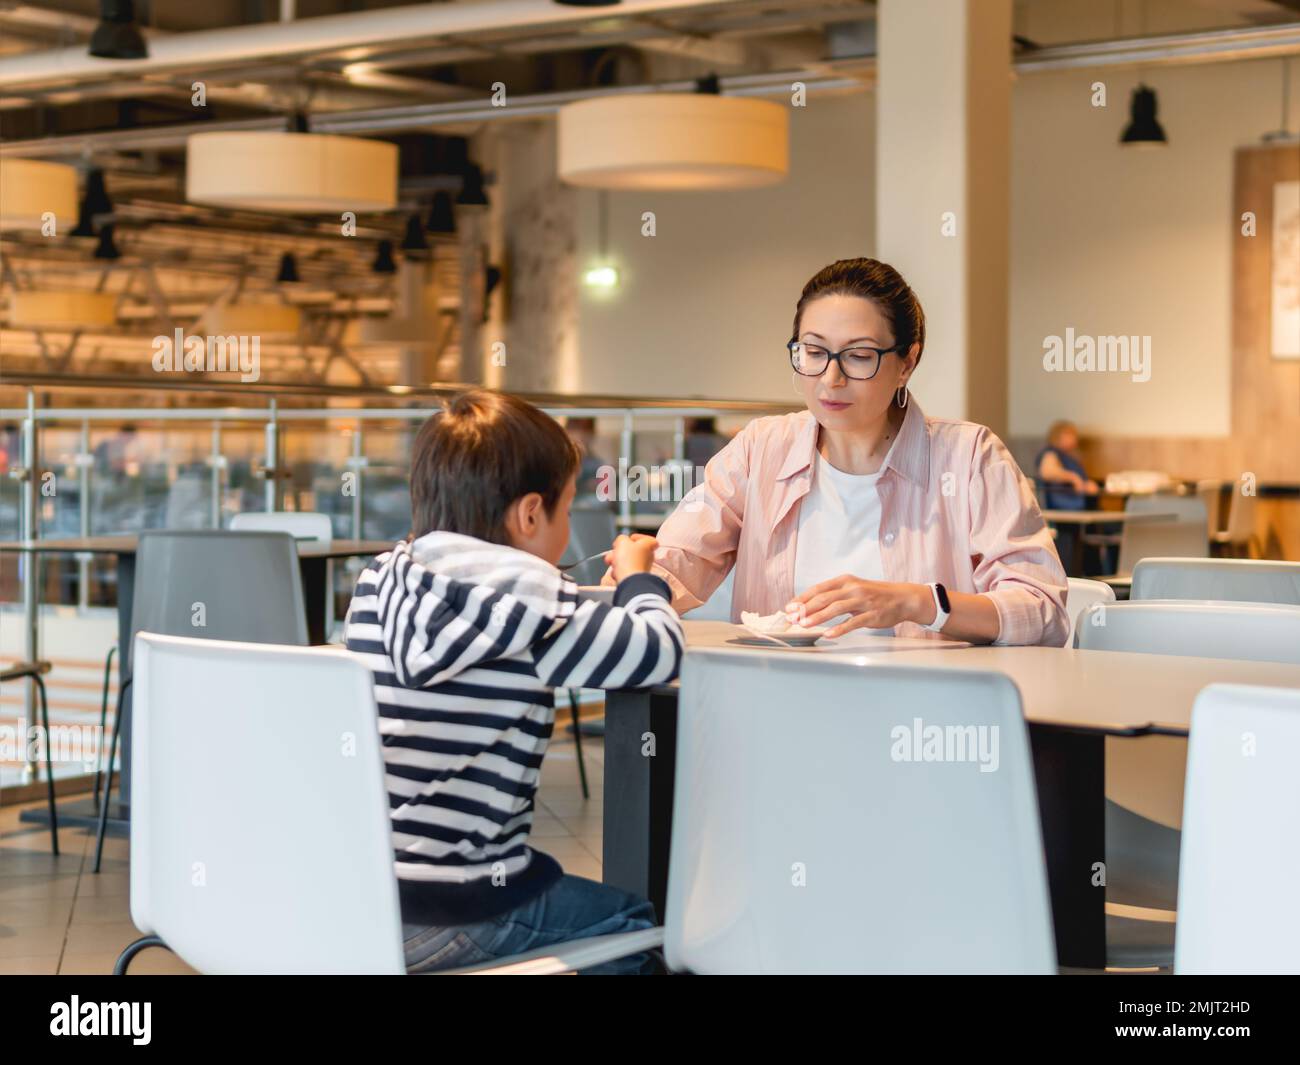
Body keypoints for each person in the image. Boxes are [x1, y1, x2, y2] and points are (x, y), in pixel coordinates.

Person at [344, 390, 682, 974]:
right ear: (530, 514)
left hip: (358, 898)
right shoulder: (535, 609)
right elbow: (659, 650)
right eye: (568, 509)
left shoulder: (378, 586)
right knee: (634, 923)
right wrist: (637, 579)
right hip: (461, 906)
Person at [622, 257, 1069, 646]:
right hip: (775, 708)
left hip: (920, 720)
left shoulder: (970, 457)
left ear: (907, 363)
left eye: (857, 356)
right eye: (813, 351)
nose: (830, 379)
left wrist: (918, 602)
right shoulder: (761, 450)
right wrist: (632, 578)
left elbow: (1042, 609)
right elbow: (681, 562)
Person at [1035, 421, 1103, 575]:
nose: (1074, 439)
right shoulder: (1051, 453)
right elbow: (1047, 471)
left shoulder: (1069, 457)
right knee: (1068, 549)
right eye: (1070, 435)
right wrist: (1072, 477)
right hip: (1063, 509)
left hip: (1077, 508)